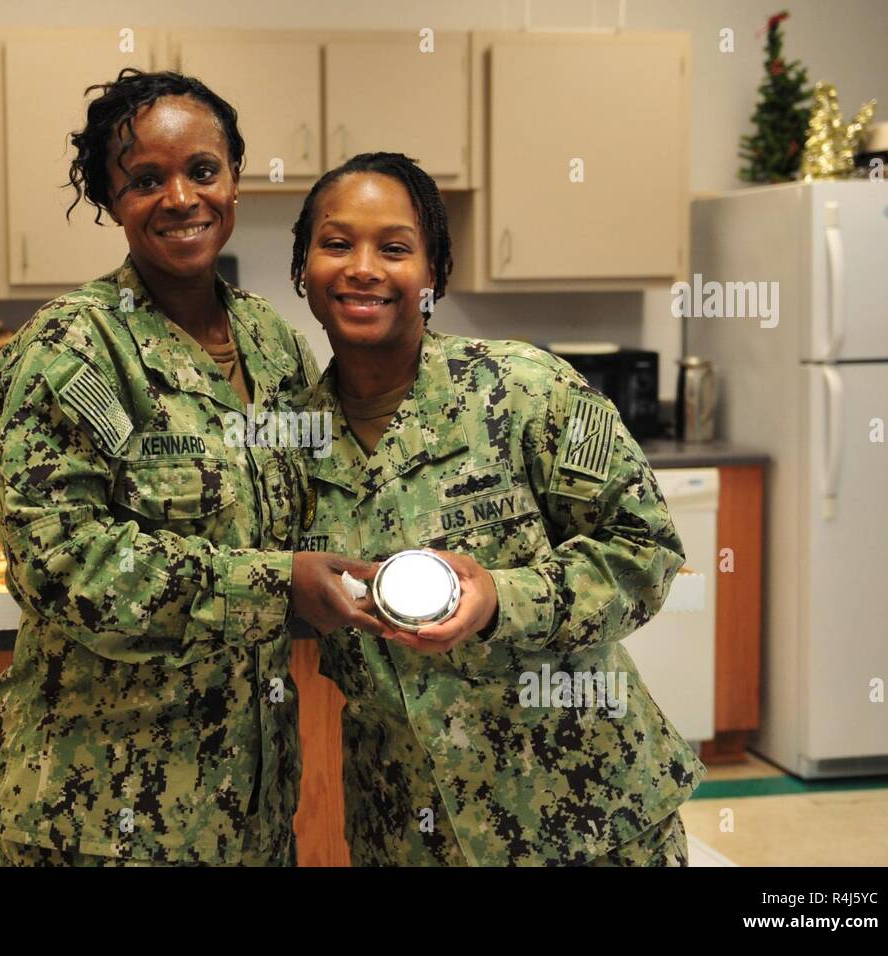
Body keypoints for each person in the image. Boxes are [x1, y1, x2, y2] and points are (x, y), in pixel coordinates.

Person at [0, 70, 381, 867]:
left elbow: (323, 506)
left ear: (234, 179)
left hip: (250, 813)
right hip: (98, 820)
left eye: (202, 170)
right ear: (110, 199)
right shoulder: (71, 349)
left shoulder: (274, 342)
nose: (181, 199)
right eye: (145, 180)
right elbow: (63, 568)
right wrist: (275, 587)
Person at [290, 152, 707, 866]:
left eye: (395, 248)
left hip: (586, 818)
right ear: (303, 269)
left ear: (434, 273)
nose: (363, 268)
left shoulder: (525, 390)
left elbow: (646, 552)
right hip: (410, 831)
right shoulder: (288, 442)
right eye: (336, 244)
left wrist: (500, 599)